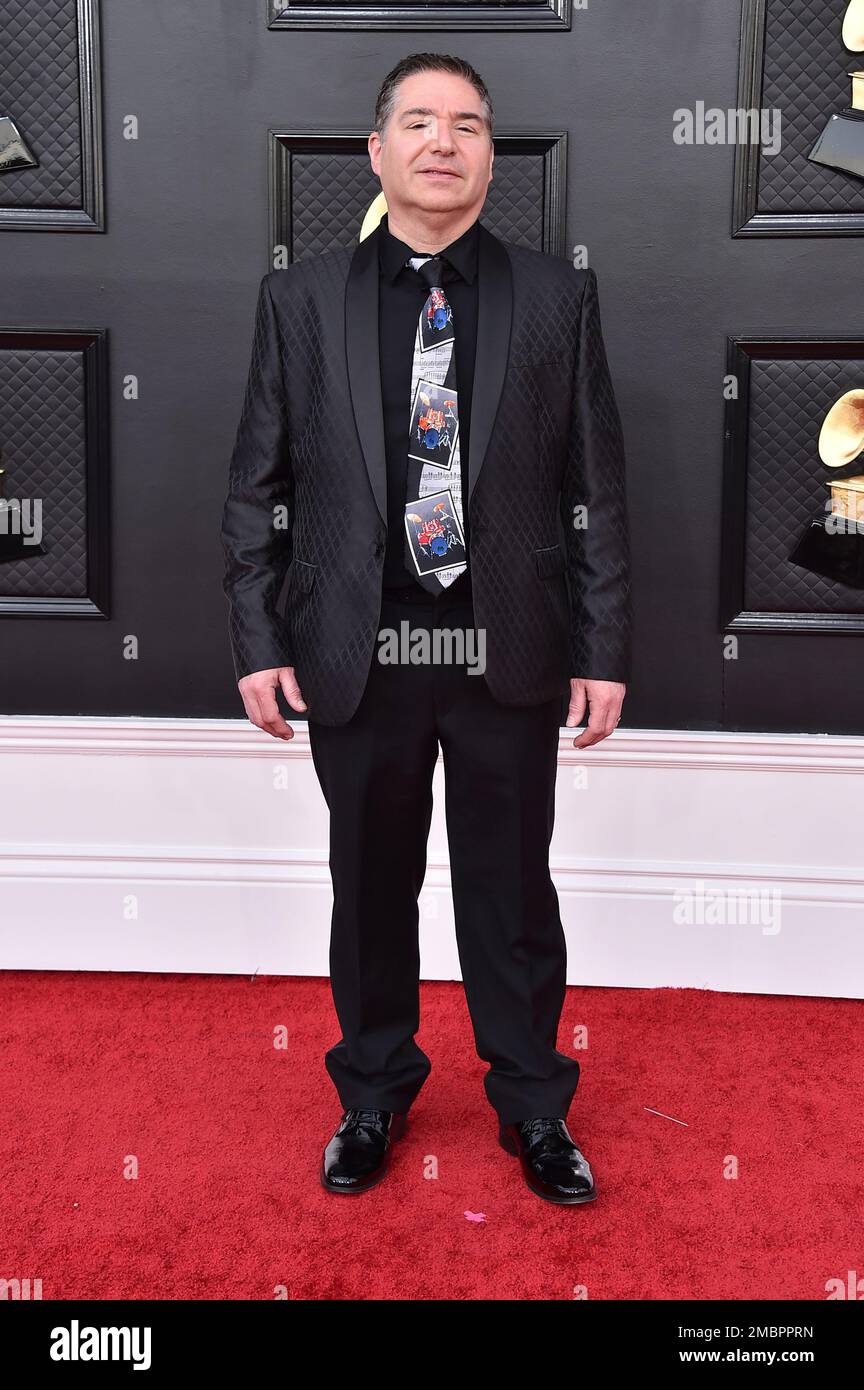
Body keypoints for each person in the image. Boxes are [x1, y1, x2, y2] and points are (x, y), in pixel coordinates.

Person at [221, 52, 633, 1205]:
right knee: (370, 883)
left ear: (491, 155)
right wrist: (258, 637)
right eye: (418, 122)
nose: (442, 141)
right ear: (379, 151)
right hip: (359, 643)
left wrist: (604, 649)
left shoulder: (559, 297)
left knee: (511, 891)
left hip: (508, 644)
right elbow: (256, 485)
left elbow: (594, 484)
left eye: (466, 125)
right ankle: (372, 1092)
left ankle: (536, 1111)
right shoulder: (299, 300)